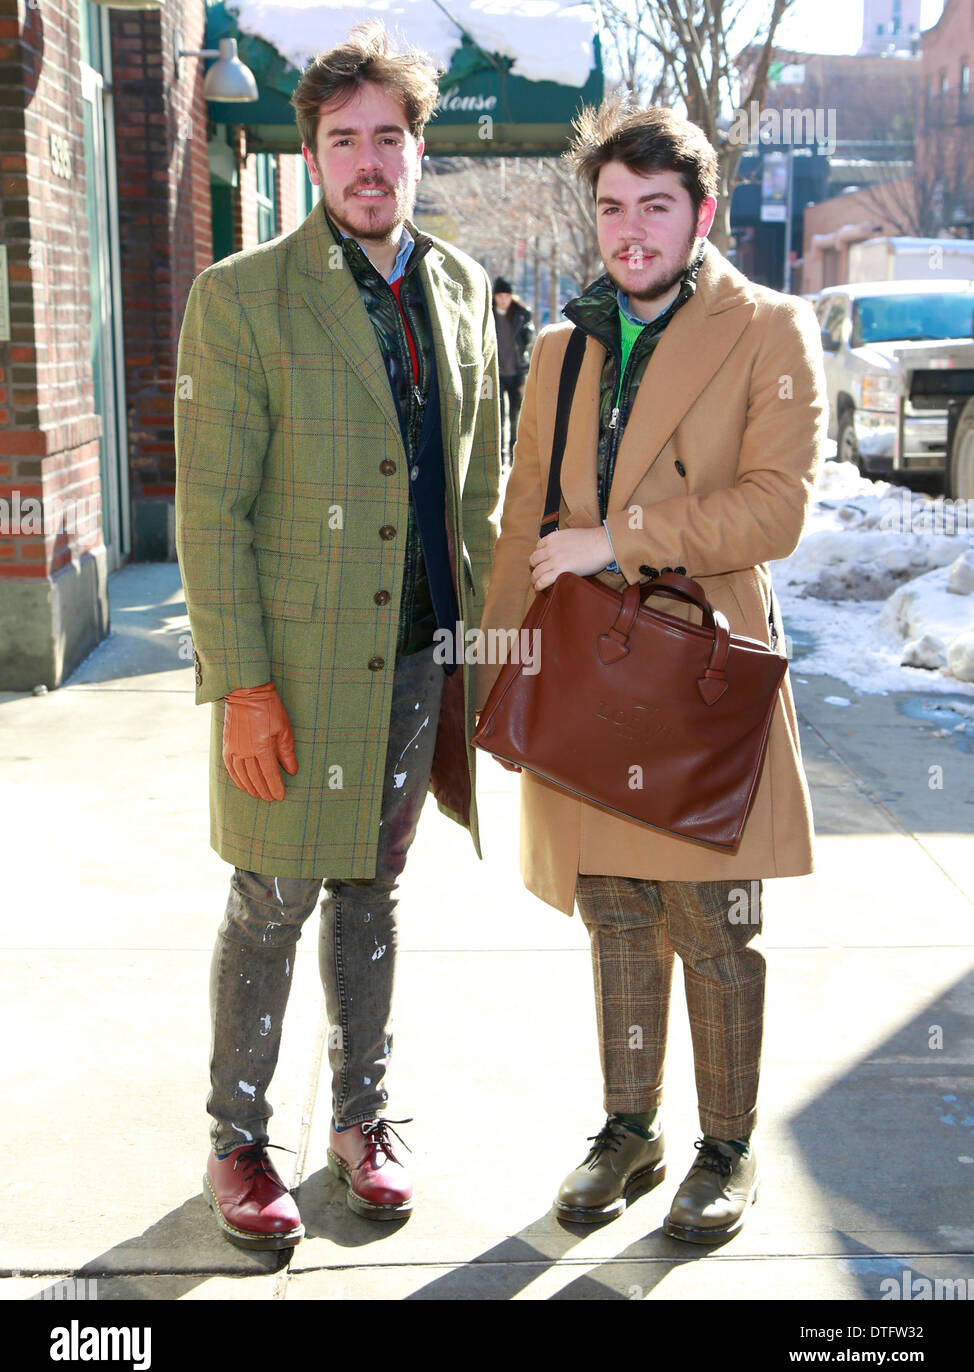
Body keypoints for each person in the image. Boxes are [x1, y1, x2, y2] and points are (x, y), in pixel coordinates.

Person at [174, 21, 500, 1251]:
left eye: (388, 138)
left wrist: (480, 659)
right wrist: (242, 684)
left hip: (417, 660)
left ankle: (364, 1119)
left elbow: (478, 483)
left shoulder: (459, 288)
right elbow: (209, 513)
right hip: (295, 669)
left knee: (374, 891)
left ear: (419, 150)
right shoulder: (240, 298)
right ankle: (237, 1139)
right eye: (341, 139)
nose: (368, 161)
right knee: (271, 896)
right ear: (311, 155)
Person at [476, 97, 825, 1244]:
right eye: (611, 207)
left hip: (700, 671)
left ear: (700, 211)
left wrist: (618, 538)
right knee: (615, 912)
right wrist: (493, 670)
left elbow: (775, 508)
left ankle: (725, 1149)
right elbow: (519, 513)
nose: (630, 230)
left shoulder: (766, 328)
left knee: (716, 921)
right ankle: (630, 1129)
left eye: (654, 206)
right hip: (583, 676)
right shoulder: (558, 345)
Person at [492, 277, 535, 462]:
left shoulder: (521, 314)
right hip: (496, 373)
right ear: (494, 296)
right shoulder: (488, 314)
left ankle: (514, 454)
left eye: (507, 295)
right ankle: (500, 455)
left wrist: (527, 331)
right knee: (498, 415)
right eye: (500, 296)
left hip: (517, 372)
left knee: (517, 415)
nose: (503, 299)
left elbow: (528, 340)